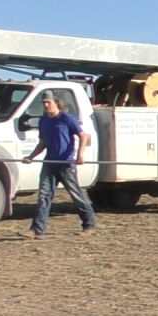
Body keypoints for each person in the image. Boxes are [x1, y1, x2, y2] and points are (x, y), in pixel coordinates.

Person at [19, 90, 97, 238]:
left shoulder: (66, 118)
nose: (46, 105)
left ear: (56, 103)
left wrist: (79, 154)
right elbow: (43, 143)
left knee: (76, 195)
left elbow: (83, 136)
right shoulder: (43, 121)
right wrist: (31, 157)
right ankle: (37, 230)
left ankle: (89, 225)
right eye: (43, 103)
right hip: (49, 163)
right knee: (44, 195)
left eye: (48, 102)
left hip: (66, 164)